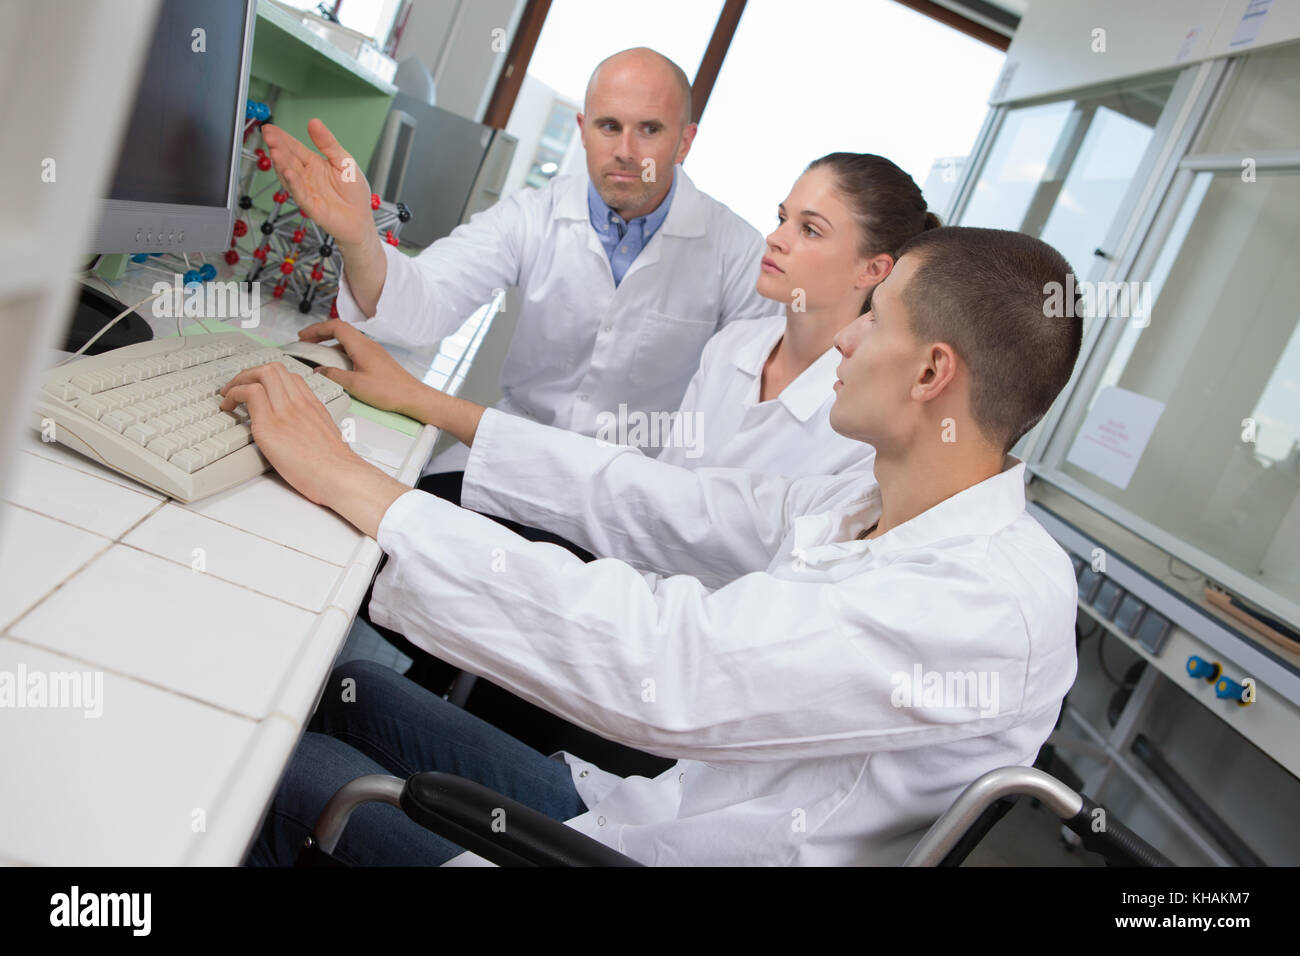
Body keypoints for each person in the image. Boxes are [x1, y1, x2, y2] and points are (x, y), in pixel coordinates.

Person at [235, 226, 1082, 867]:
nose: (845, 340)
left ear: (931, 373)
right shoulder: (870, 500)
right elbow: (663, 502)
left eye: (875, 319)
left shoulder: (982, 605)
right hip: (652, 815)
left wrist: (352, 482)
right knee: (351, 692)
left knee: (283, 775)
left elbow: (672, 664)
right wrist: (426, 402)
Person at [262, 47, 769, 487]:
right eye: (609, 126)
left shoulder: (739, 253)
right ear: (583, 131)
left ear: (684, 141)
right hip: (511, 457)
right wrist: (359, 238)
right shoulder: (534, 214)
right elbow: (427, 303)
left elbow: (748, 414)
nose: (625, 151)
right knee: (389, 547)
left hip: (631, 488)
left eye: (650, 130)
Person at [655, 152, 940, 476]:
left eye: (810, 230)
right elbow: (661, 480)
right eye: (782, 219)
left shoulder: (869, 417)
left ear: (873, 270)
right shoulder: (730, 345)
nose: (774, 239)